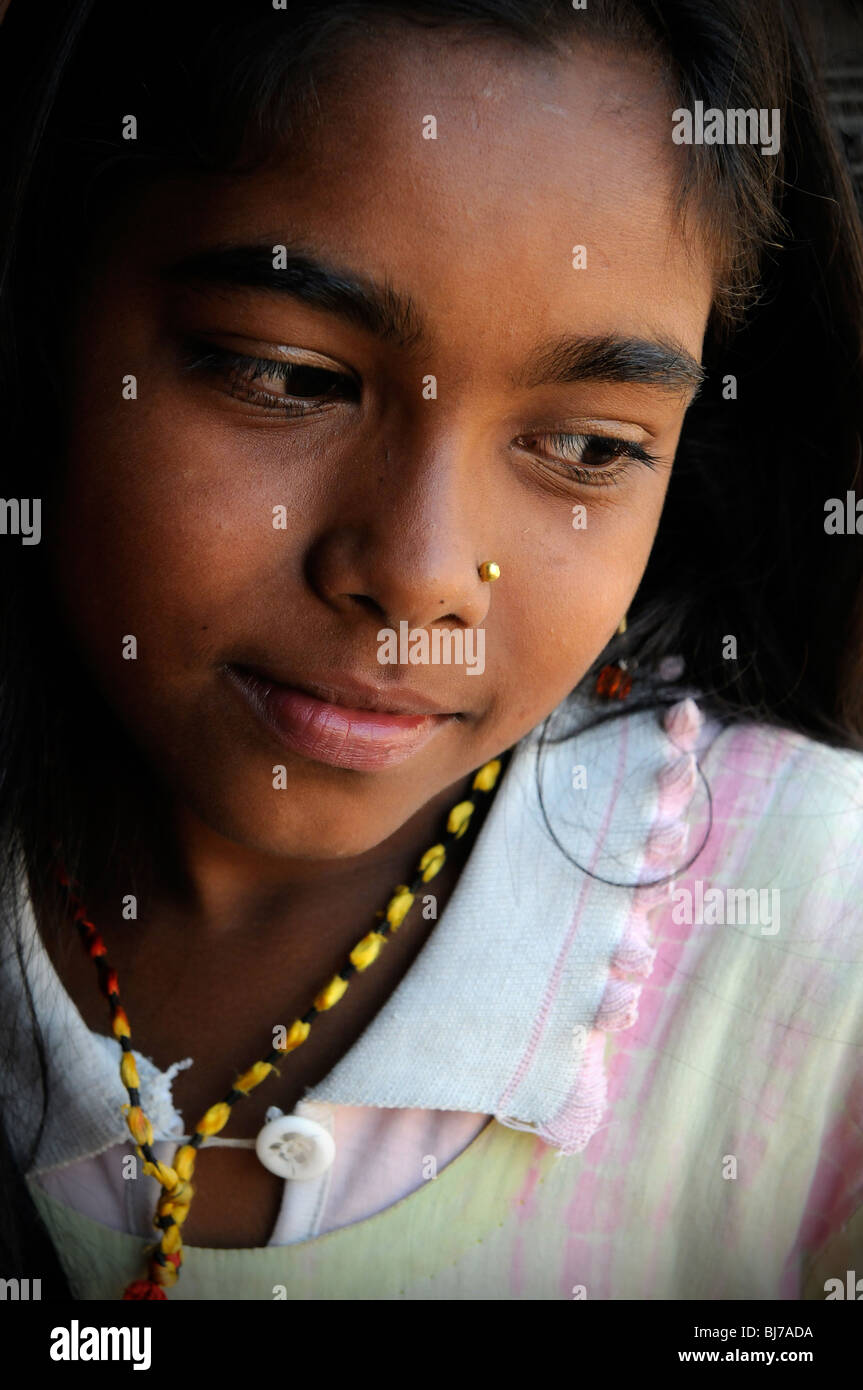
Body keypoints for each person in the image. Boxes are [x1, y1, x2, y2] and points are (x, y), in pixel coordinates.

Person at [0, 0, 862, 1301]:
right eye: (285, 376)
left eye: (587, 449)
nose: (417, 573)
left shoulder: (824, 944)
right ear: (41, 312)